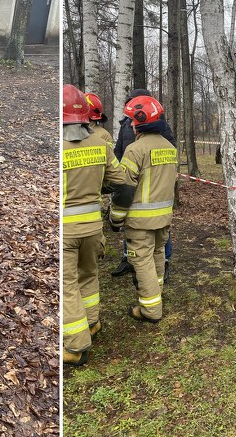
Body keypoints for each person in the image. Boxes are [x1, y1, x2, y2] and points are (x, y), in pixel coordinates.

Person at [62, 84, 129, 366]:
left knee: (67, 286)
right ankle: (92, 323)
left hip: (65, 231)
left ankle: (76, 347)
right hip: (92, 228)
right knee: (88, 275)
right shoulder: (101, 145)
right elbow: (120, 179)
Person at [109, 95, 177, 323]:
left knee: (142, 261)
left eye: (131, 120)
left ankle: (151, 310)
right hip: (163, 218)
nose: (130, 124)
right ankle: (156, 296)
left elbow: (124, 190)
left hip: (140, 222)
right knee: (158, 255)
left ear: (139, 121)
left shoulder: (134, 150)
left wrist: (115, 218)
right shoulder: (169, 148)